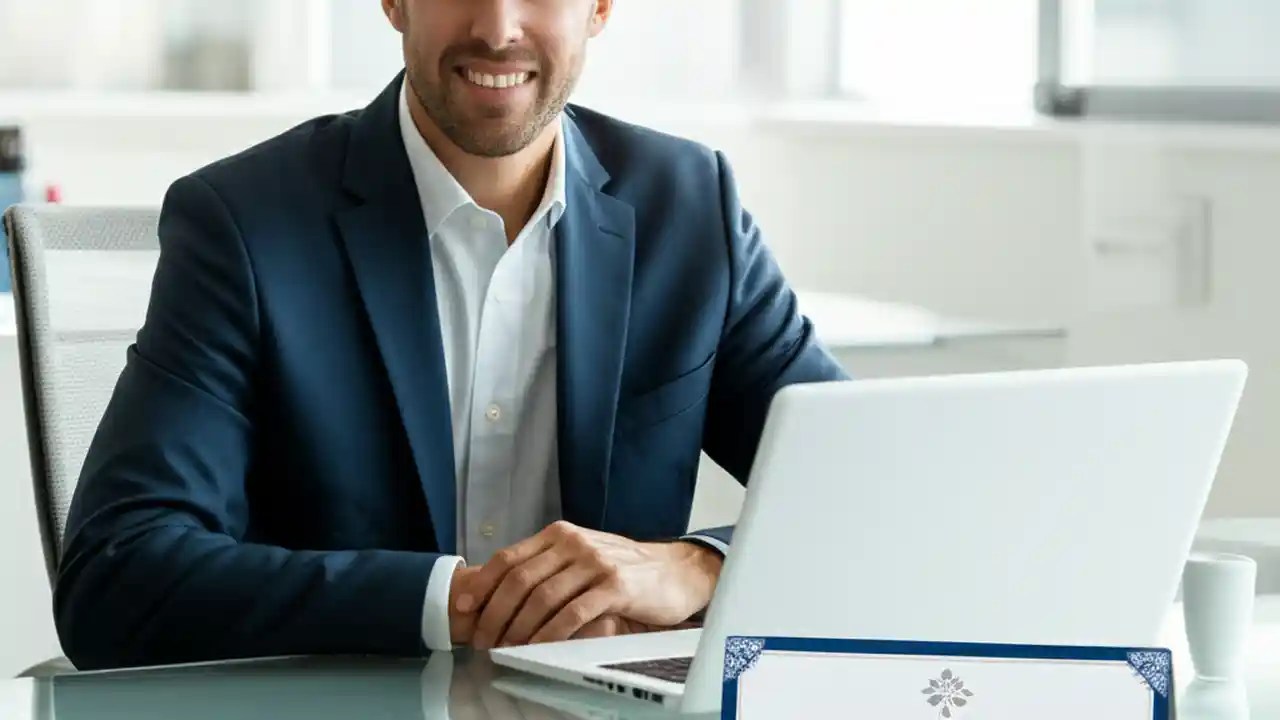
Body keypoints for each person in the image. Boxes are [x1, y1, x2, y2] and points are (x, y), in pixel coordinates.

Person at [54, 0, 846, 670]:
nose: (498, 29)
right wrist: (465, 602)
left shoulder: (692, 208)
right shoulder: (245, 224)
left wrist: (696, 567)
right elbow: (117, 575)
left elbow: (877, 493)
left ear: (602, 6)